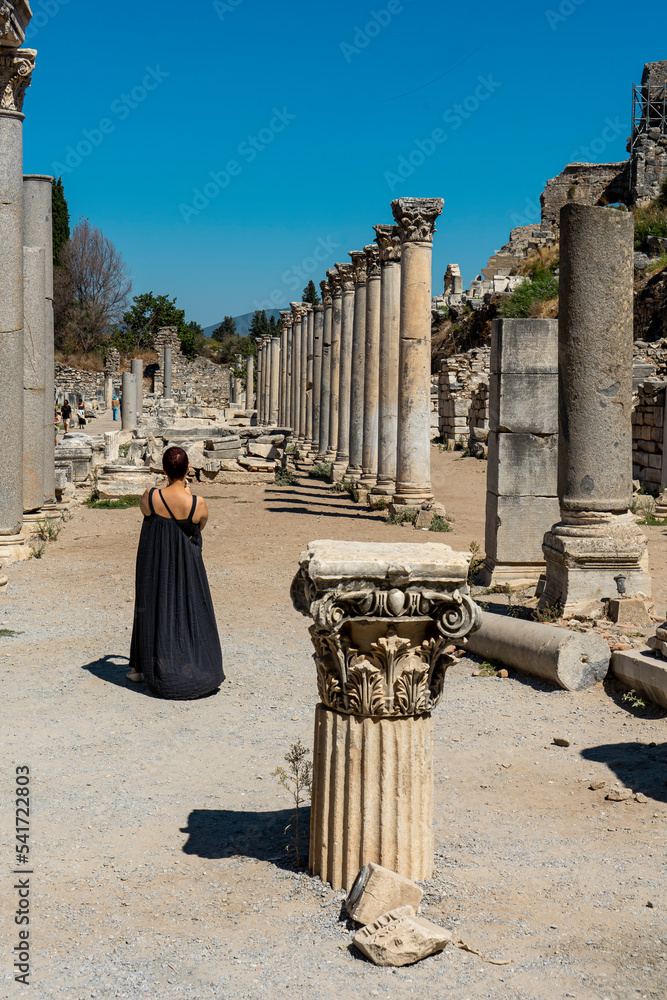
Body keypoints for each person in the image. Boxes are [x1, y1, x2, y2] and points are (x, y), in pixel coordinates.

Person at [127, 446, 224, 699]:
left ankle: (139, 666)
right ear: (188, 469)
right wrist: (188, 494)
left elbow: (146, 513)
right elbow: (199, 526)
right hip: (186, 565)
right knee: (188, 610)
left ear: (164, 470)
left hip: (155, 563)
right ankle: (191, 663)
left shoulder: (150, 496)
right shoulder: (197, 503)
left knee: (149, 607)